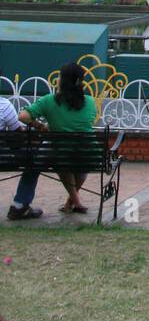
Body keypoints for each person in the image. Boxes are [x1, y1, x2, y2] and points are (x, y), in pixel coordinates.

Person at [20, 62, 97, 215]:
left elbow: (23, 117)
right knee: (72, 156)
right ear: (80, 82)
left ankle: (73, 202)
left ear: (61, 80)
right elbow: (87, 122)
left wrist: (40, 125)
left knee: (60, 155)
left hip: (61, 154)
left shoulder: (50, 100)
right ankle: (73, 202)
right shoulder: (90, 101)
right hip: (89, 155)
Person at [1, 95, 43, 221]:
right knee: (34, 160)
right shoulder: (3, 105)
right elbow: (19, 131)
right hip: (2, 158)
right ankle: (20, 205)